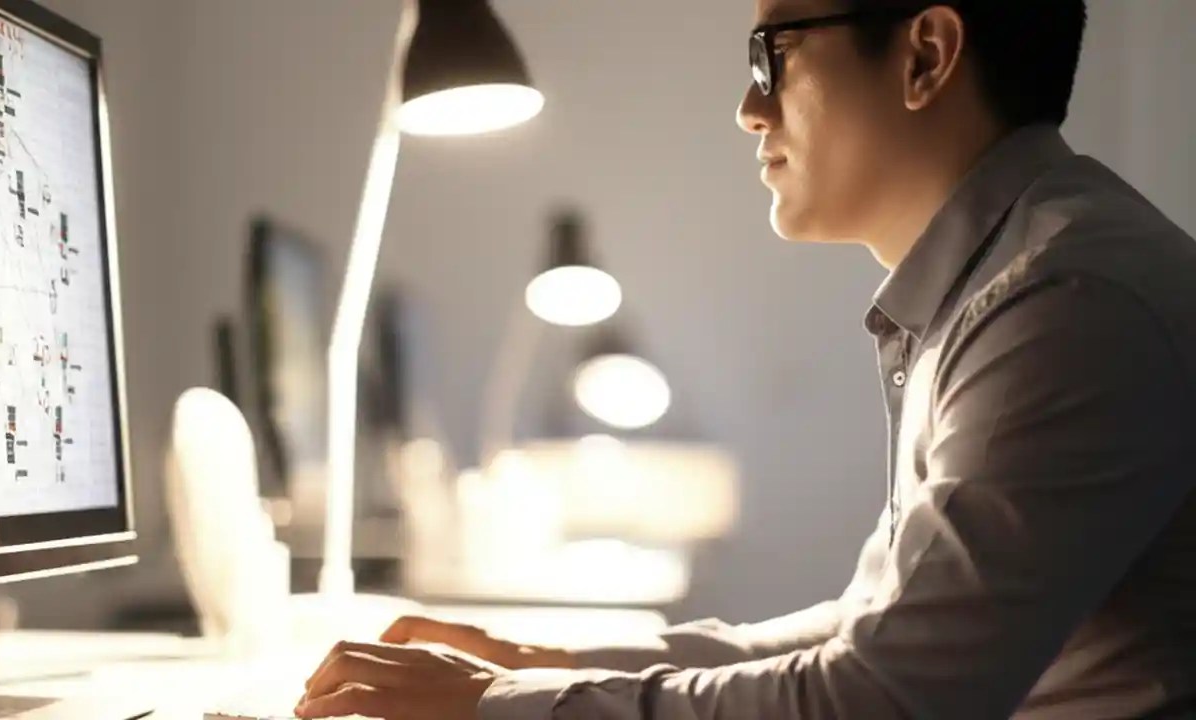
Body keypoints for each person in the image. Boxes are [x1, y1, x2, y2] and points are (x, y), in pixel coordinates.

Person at [295, 0, 1196, 717]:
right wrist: (552, 663)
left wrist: (504, 705)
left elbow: (882, 696)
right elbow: (867, 633)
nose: (747, 107)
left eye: (773, 53)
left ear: (925, 55)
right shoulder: (1008, 282)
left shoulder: (1063, 306)